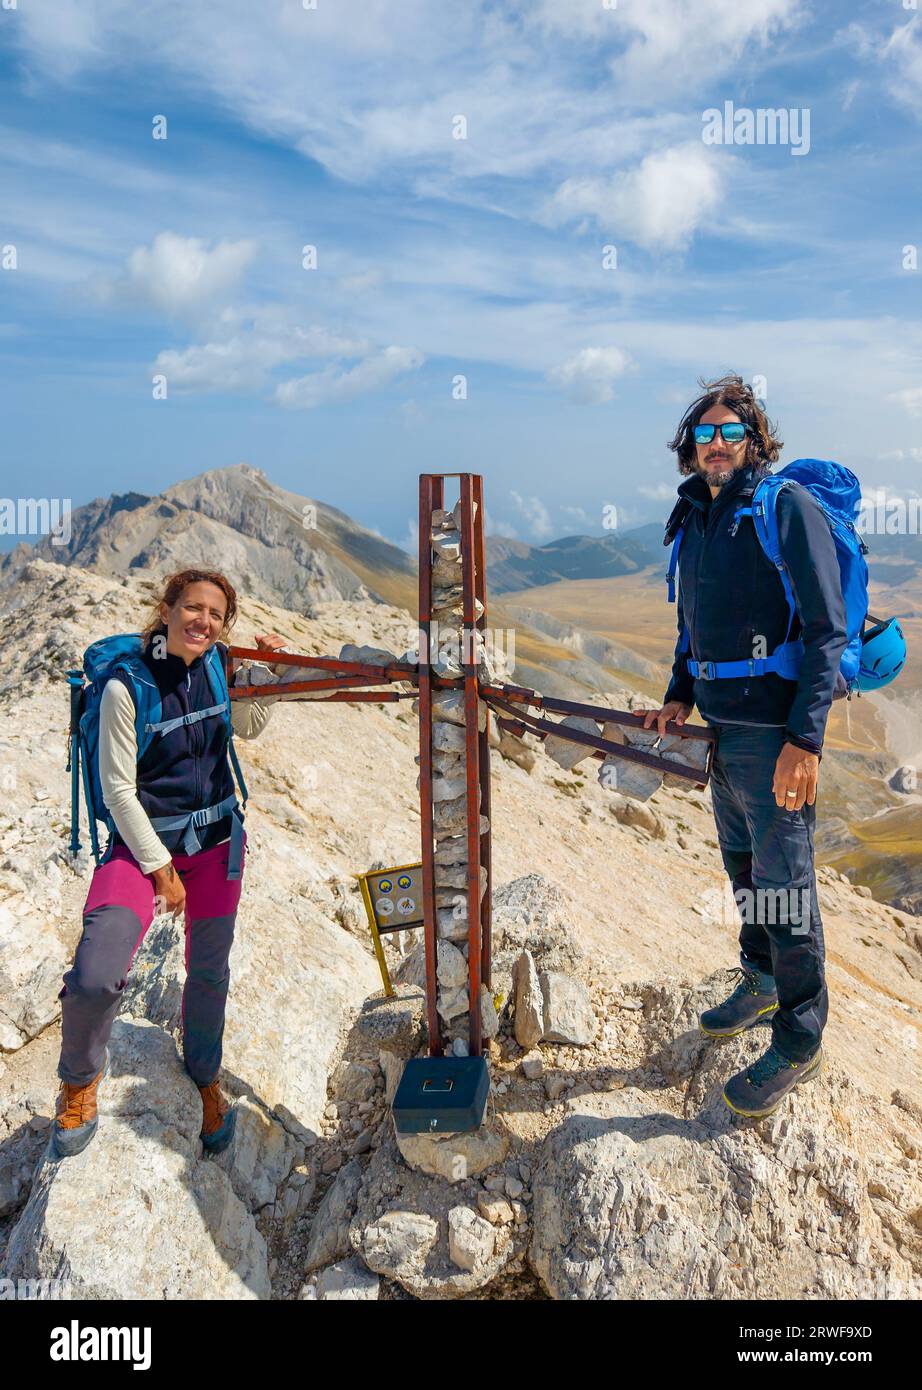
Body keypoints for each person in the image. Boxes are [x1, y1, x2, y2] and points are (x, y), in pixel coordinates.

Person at [637, 374, 847, 1118]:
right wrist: (677, 694)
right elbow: (693, 625)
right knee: (742, 865)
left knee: (786, 882)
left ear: (754, 442)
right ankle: (759, 979)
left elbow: (826, 630)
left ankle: (800, 1038)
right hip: (723, 731)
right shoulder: (694, 516)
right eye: (705, 435)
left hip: (774, 733)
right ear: (691, 450)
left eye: (731, 433)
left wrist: (804, 739)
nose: (717, 444)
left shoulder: (783, 507)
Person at [51, 568, 287, 1157]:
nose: (203, 621)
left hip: (215, 845)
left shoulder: (217, 664)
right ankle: (78, 1084)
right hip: (140, 849)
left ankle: (204, 1078)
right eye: (193, 608)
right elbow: (117, 792)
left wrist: (271, 680)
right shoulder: (124, 686)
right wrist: (161, 870)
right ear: (168, 608)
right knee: (94, 975)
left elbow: (245, 729)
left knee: (209, 973)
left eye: (215, 614)